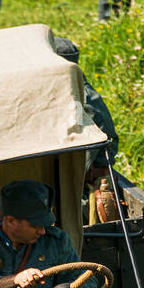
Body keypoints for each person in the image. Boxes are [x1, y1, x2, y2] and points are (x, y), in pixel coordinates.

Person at [53, 37, 119, 186]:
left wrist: (91, 167)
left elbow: (103, 130)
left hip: (82, 174)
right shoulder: (64, 87)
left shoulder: (81, 94)